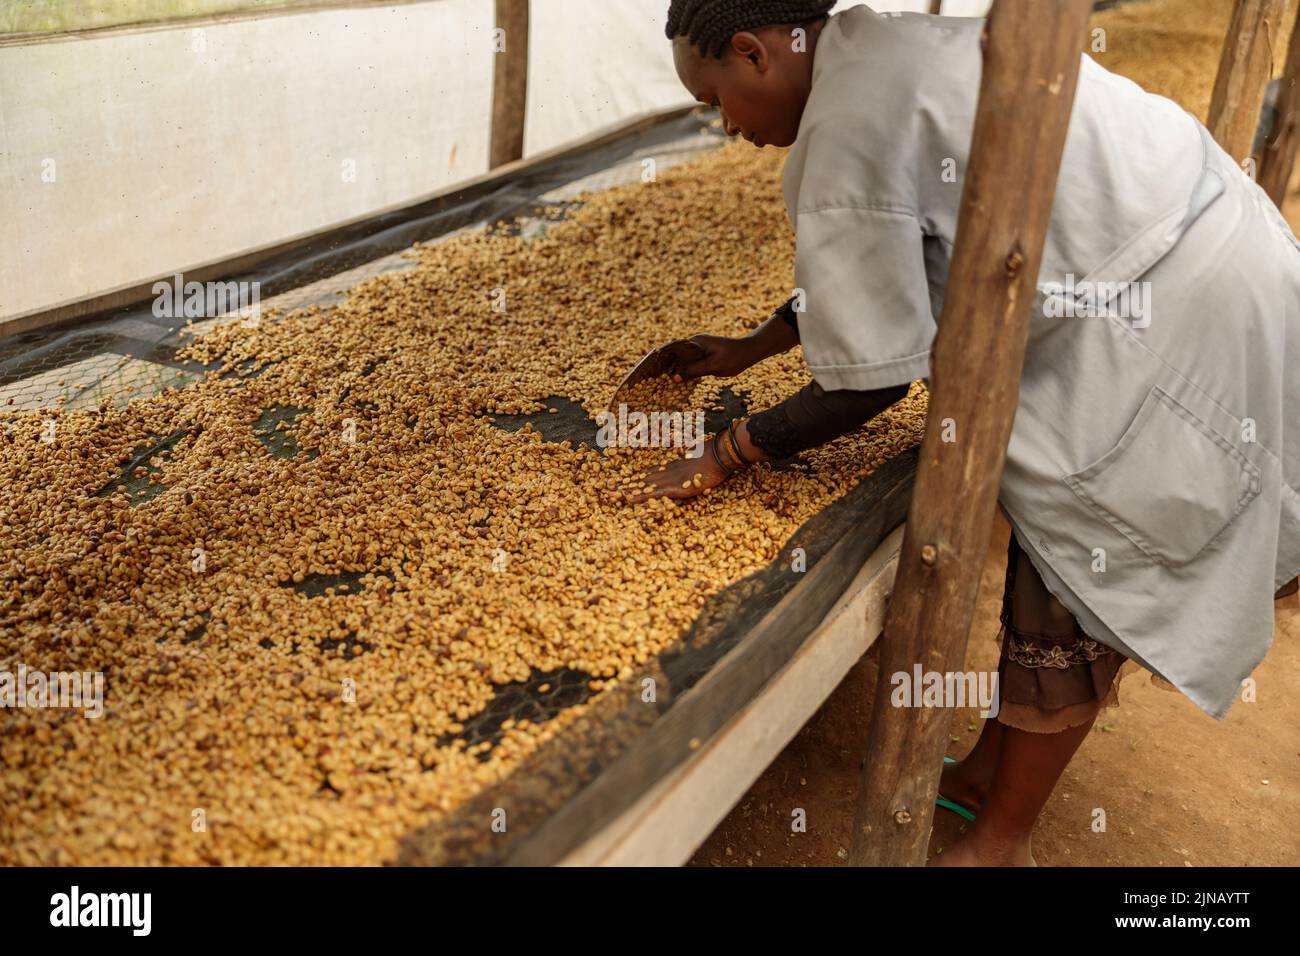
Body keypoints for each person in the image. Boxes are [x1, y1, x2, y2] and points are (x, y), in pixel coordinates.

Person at [616, 0, 1300, 866]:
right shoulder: (880, 43)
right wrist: (760, 342)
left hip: (1165, 327)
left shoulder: (844, 131)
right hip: (1202, 237)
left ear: (755, 53)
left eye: (715, 98)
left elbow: (865, 381)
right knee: (1051, 562)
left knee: (1073, 584)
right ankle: (982, 777)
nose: (726, 125)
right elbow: (914, 242)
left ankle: (1000, 841)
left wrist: (726, 453)